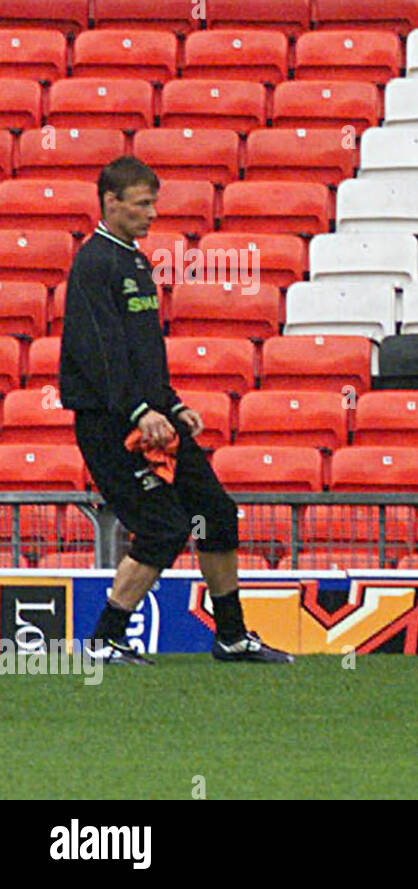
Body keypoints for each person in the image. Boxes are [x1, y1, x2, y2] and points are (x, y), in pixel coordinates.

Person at [61, 156, 292, 665]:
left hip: (153, 416)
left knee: (216, 513)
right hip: (112, 424)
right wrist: (139, 410)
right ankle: (103, 640)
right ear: (111, 202)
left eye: (153, 204)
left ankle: (231, 635)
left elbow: (143, 352)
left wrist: (171, 403)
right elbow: (99, 354)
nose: (152, 214)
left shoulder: (135, 262)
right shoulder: (95, 264)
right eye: (142, 204)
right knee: (163, 527)